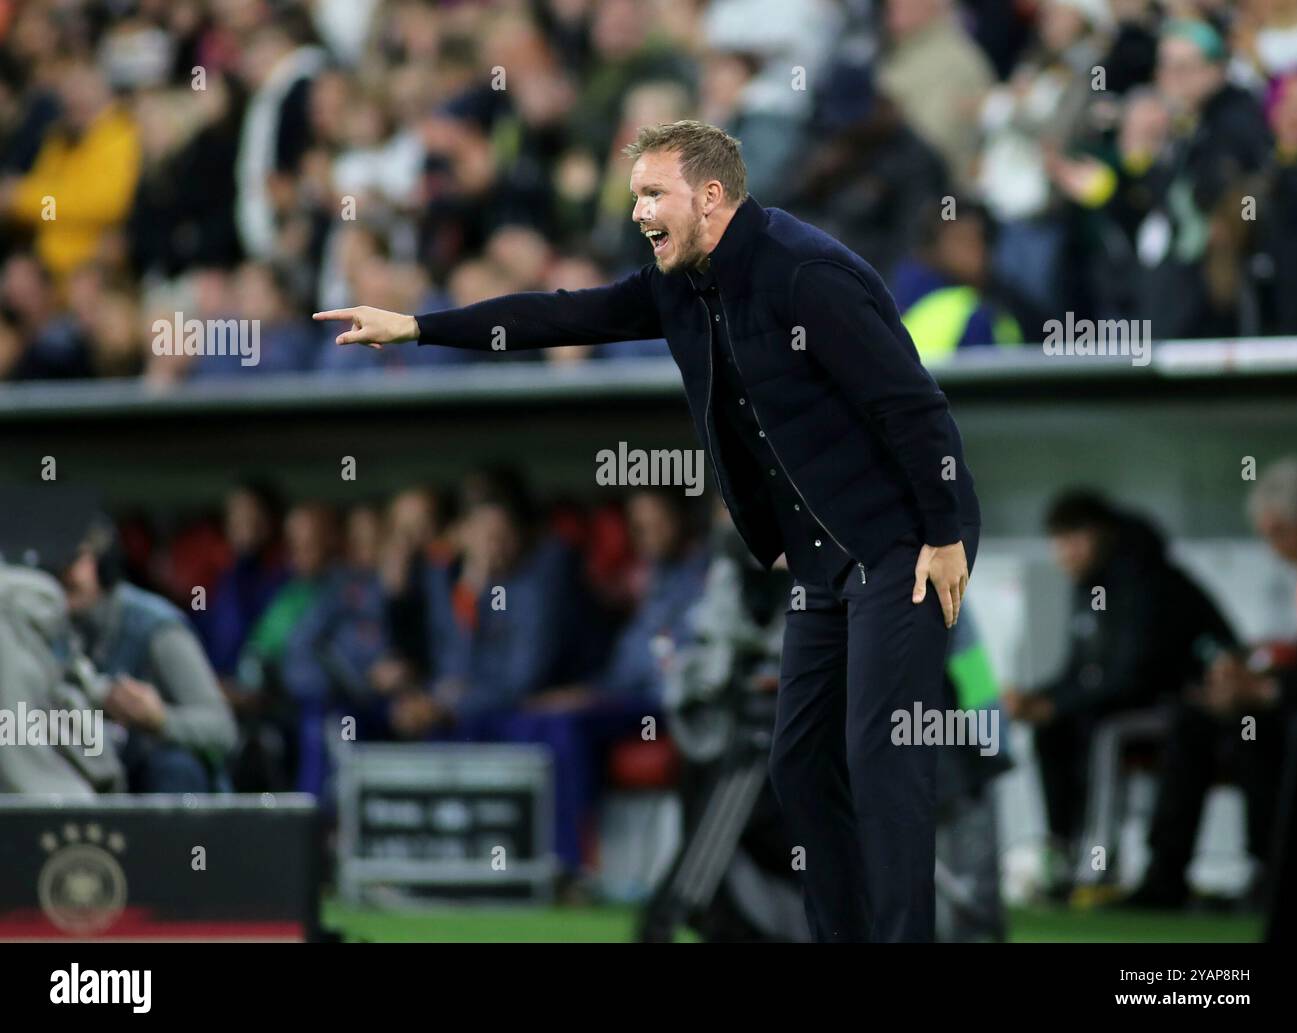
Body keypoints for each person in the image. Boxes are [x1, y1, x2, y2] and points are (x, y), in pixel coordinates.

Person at [314, 119, 980, 942]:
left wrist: (944, 536)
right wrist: (420, 326)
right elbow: (562, 315)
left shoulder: (806, 272)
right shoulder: (681, 284)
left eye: (652, 194)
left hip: (904, 542)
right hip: (820, 560)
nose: (637, 213)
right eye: (634, 198)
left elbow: (913, 404)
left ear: (710, 196)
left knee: (884, 762)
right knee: (801, 767)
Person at [1003, 490, 1237, 899]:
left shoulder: (1149, 582)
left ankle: (1098, 866)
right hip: (1122, 707)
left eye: (1069, 541)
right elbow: (1081, 671)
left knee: (1107, 734)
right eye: (1057, 544)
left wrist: (1057, 703)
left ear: (1096, 535)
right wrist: (1038, 701)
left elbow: (1136, 675)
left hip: (1177, 707)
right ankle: (1061, 856)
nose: (1063, 555)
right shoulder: (1088, 588)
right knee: (1051, 730)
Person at [1126, 458, 1297, 910]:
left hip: (1284, 711)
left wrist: (1264, 691)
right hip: (1279, 703)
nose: (1273, 547)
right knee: (1195, 721)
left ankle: (1270, 871)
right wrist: (1245, 671)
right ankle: (1165, 876)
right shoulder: (1290, 578)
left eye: (1278, 532)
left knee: (1257, 734)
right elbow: (1277, 649)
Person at [61, 516, 237, 793]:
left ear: (105, 564)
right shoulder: (48, 627)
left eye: (72, 561)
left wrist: (161, 720)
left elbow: (222, 730)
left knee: (174, 766)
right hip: (93, 775)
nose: (61, 577)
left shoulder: (155, 627)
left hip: (160, 787)